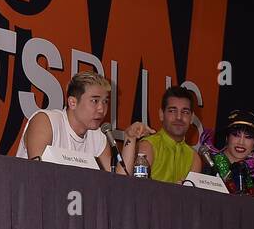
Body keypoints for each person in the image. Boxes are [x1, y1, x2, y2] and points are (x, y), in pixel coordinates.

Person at [16, 72, 153, 172]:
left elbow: (119, 184)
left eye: (105, 101)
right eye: (95, 101)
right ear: (72, 102)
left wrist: (130, 138)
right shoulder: (46, 121)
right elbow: (35, 173)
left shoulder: (98, 137)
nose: (102, 109)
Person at [138, 86, 204, 183]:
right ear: (161, 114)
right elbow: (138, 189)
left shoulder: (194, 158)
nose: (179, 117)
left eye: (185, 112)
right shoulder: (148, 146)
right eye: (172, 111)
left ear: (191, 118)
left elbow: (192, 197)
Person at [197, 109, 254, 195]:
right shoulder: (210, 165)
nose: (241, 142)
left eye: (248, 137)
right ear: (227, 138)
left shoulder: (253, 175)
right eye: (236, 135)